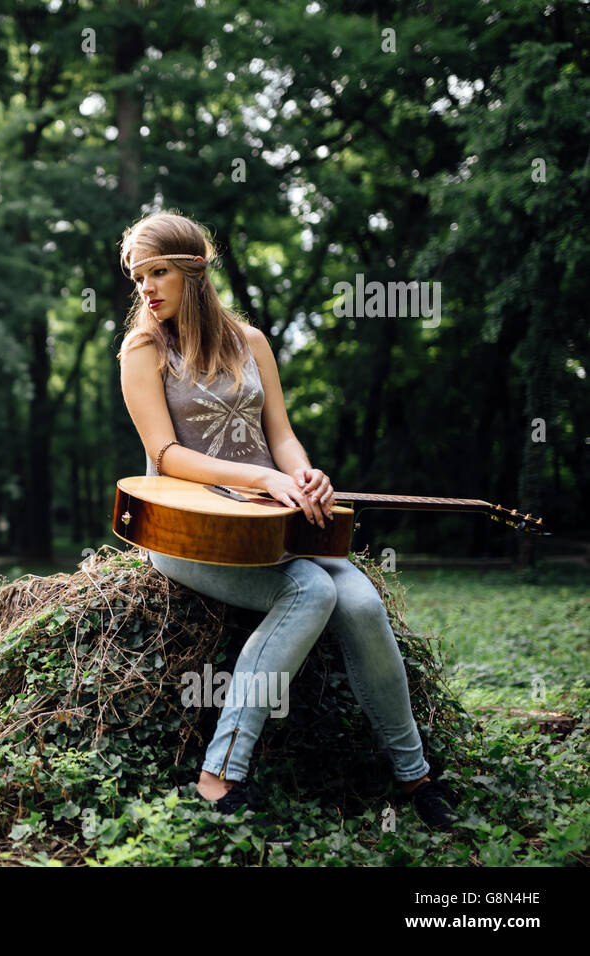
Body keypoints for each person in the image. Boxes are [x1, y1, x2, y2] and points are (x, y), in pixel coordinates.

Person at [116, 211, 461, 832]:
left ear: (194, 271)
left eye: (158, 272)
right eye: (139, 277)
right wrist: (266, 480)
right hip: (188, 534)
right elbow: (166, 456)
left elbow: (282, 437)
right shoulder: (142, 351)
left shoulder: (250, 343)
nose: (146, 288)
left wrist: (302, 475)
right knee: (312, 588)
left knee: (359, 605)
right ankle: (219, 772)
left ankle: (416, 776)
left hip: (278, 525)